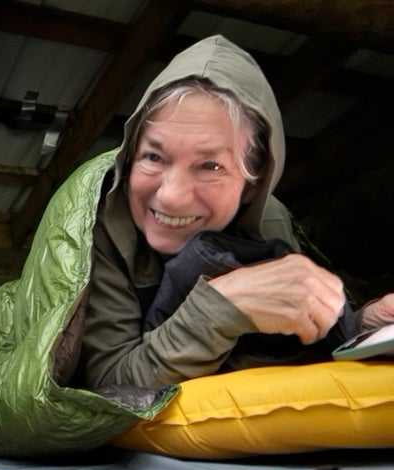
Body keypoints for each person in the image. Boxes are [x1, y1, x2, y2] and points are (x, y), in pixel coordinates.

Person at [77, 34, 394, 409]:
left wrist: (359, 329)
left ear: (252, 183)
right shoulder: (98, 221)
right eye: (154, 157)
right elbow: (106, 386)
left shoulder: (270, 220)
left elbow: (278, 353)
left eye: (210, 165)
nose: (170, 195)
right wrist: (224, 305)